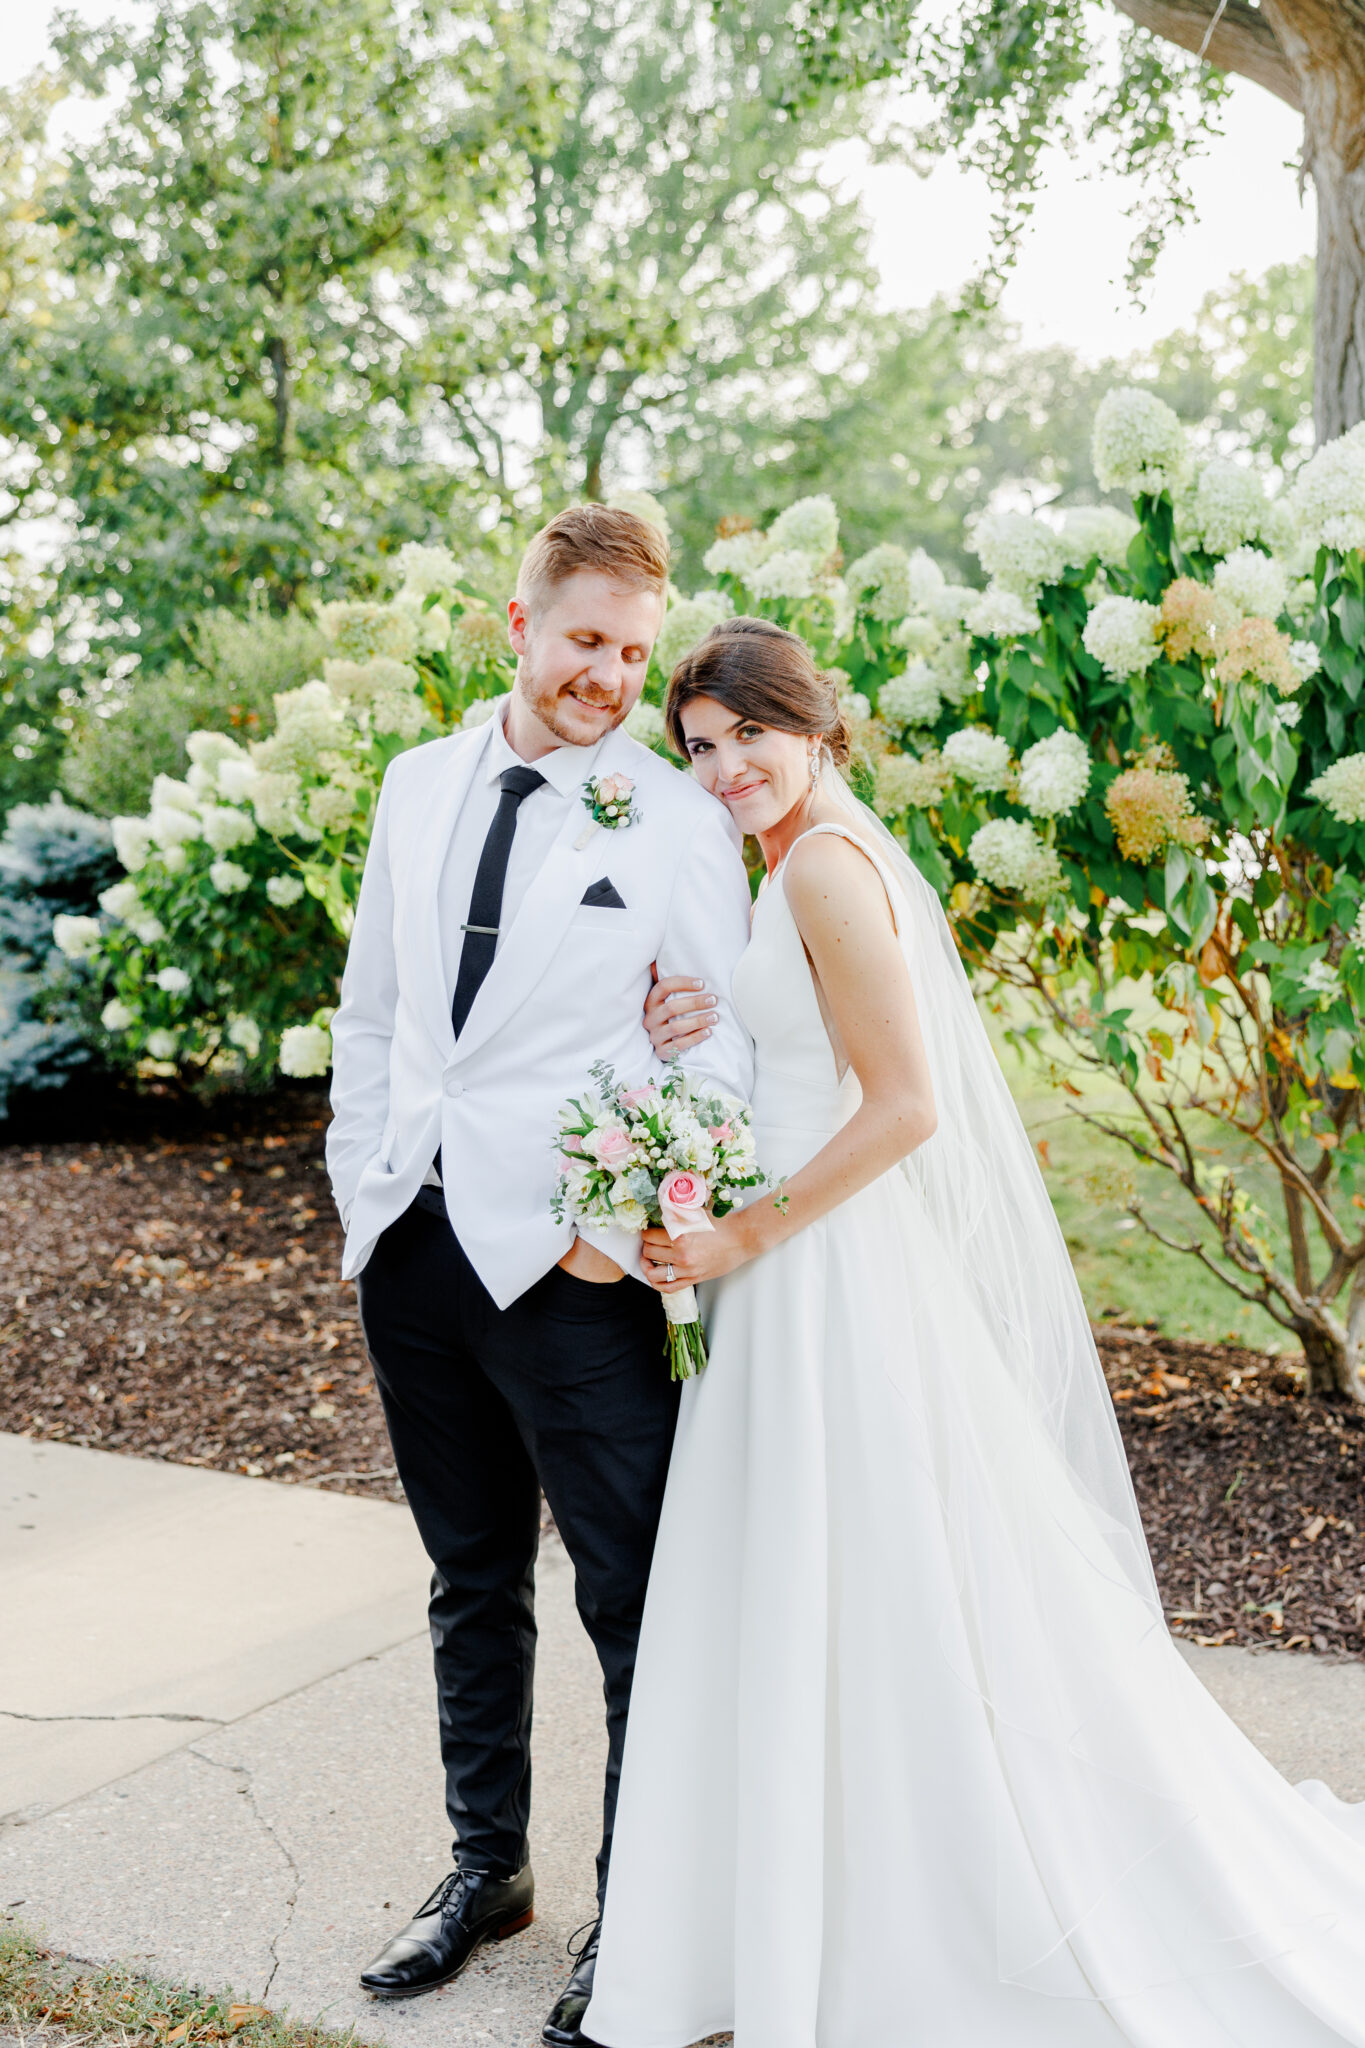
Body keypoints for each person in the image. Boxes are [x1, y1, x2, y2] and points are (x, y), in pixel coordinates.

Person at [582, 614, 1365, 2048]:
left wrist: (736, 1234)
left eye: (747, 734)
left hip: (821, 1279)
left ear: (815, 726)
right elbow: (805, 1057)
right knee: (841, 1585)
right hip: (793, 1270)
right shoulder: (799, 860)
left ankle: (881, 1918)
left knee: (862, 1586)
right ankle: (808, 1906)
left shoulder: (822, 862)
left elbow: (903, 1107)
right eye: (699, 748)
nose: (724, 767)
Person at [325, 507, 753, 2046]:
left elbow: (727, 1052)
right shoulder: (415, 786)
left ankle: (631, 1921)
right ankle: (483, 1873)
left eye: (635, 654)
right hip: (414, 1249)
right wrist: (360, 1191)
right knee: (467, 1578)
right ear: (518, 625)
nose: (610, 678)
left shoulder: (674, 816)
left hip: (576, 1270)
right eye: (585, 641)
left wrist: (612, 1220)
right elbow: (374, 1011)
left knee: (633, 1606)